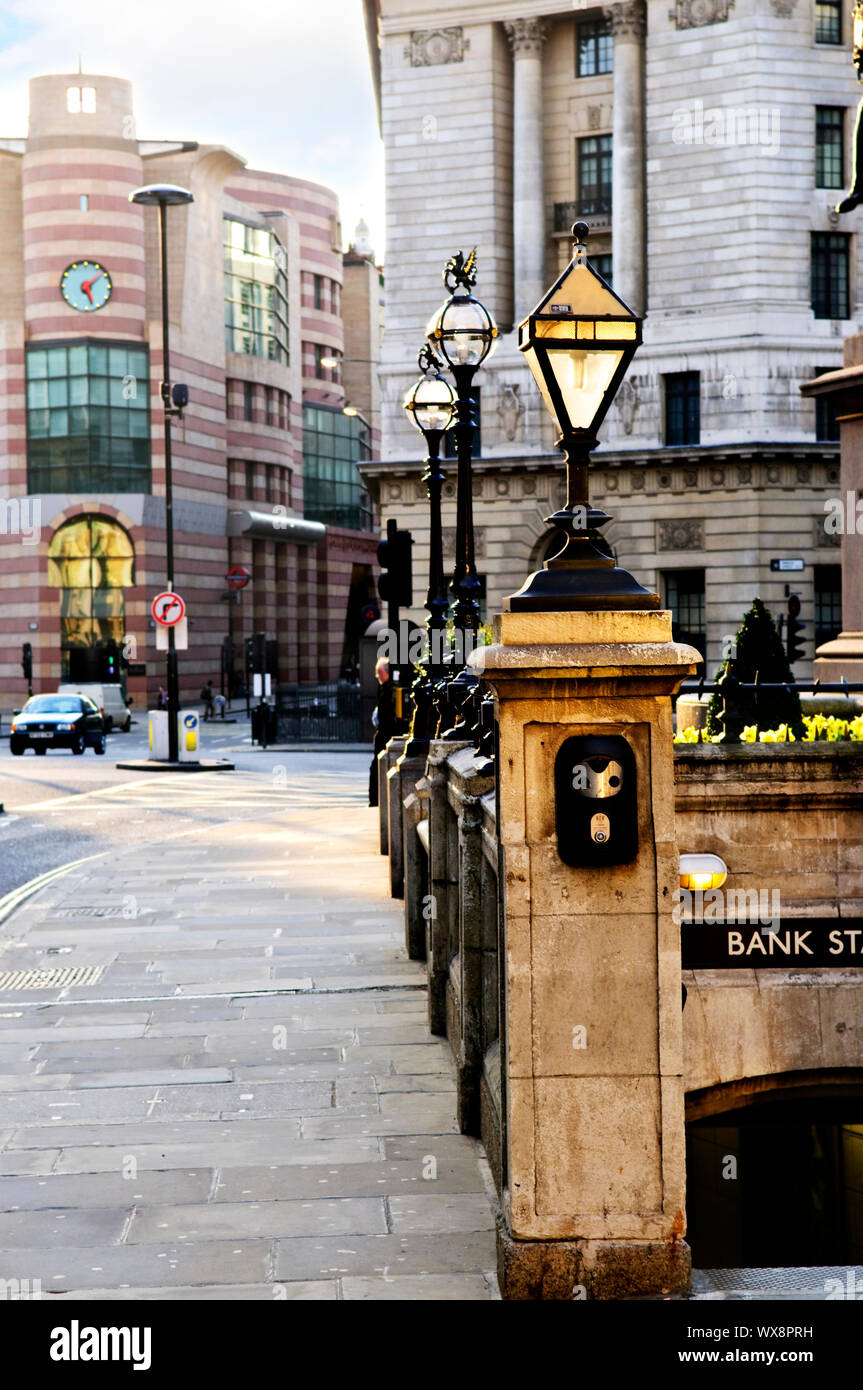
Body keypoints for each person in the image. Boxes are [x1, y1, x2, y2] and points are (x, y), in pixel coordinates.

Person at [368, 658, 397, 807]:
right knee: (375, 768)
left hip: (385, 735)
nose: (378, 677)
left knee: (377, 769)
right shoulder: (385, 688)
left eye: (380, 673)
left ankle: (375, 800)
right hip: (382, 735)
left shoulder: (389, 689)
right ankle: (374, 799)